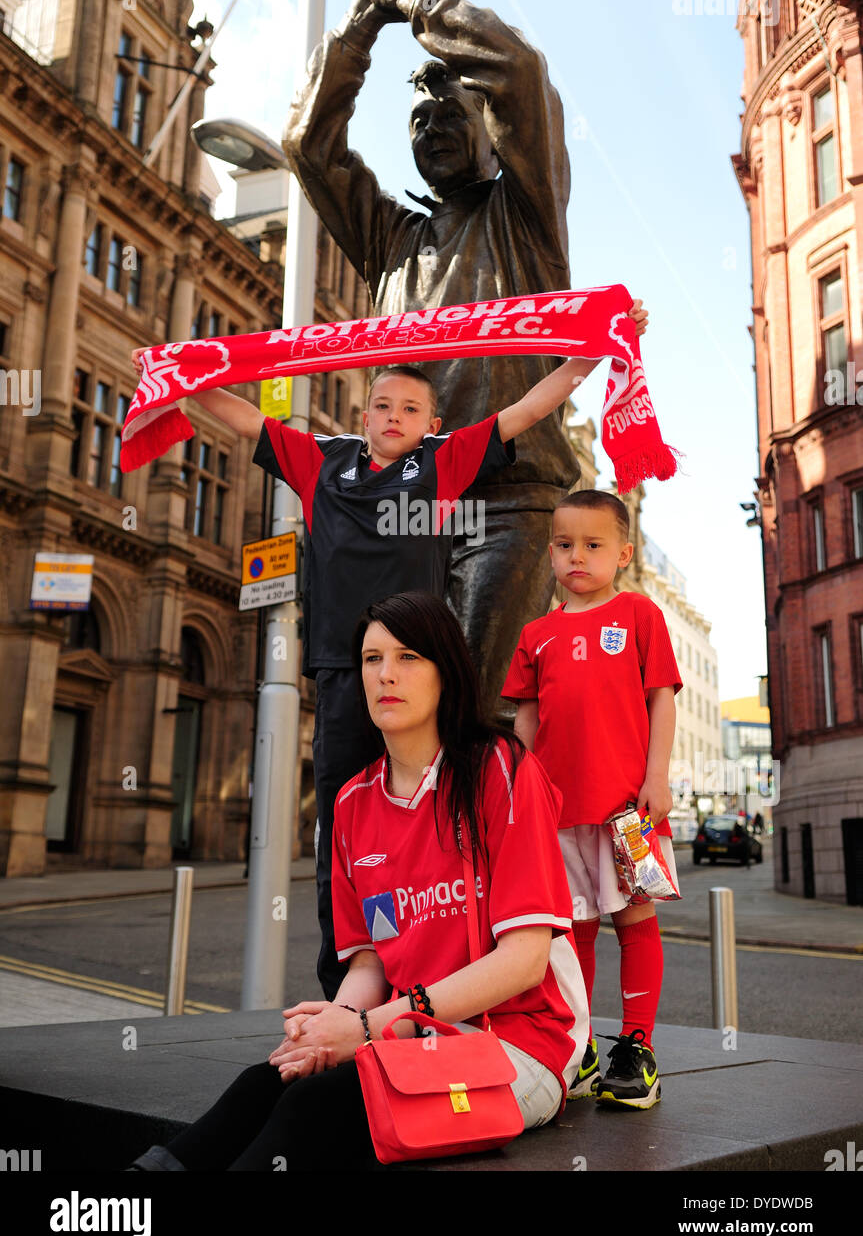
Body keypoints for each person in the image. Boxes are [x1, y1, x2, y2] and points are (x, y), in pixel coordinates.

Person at [130, 344, 618, 1000]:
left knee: (436, 823)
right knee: (347, 829)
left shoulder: (442, 461)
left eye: (410, 408)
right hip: (342, 669)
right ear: (364, 416)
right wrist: (174, 380)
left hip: (422, 673)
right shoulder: (321, 461)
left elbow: (526, 408)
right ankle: (347, 988)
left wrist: (590, 353)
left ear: (429, 421)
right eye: (383, 405)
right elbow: (244, 420)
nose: (395, 416)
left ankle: (446, 979)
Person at [281, 0, 648, 709]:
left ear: (492, 134)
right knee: (388, 706)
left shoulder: (525, 216)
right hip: (403, 501)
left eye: (453, 112)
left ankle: (471, 827)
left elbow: (519, 72)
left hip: (505, 502)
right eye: (418, 117)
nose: (432, 125)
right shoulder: (390, 241)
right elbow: (306, 145)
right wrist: (359, 23)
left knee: (468, 707)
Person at [127, 591, 588, 1172]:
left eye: (408, 657)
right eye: (372, 659)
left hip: (519, 1047)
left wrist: (368, 1029)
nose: (386, 675)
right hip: (410, 1036)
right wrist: (330, 1029)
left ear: (447, 670)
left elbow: (524, 961)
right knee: (263, 1082)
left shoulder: (501, 767)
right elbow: (370, 964)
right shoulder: (351, 803)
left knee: (319, 1107)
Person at [502, 490, 682, 1109]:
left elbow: (662, 697)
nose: (577, 556)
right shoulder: (536, 634)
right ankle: (576, 1047)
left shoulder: (638, 615)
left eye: (593, 544)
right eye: (564, 544)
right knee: (571, 935)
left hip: (626, 809)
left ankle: (637, 1049)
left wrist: (657, 777)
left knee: (634, 921)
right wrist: (516, 798)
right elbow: (525, 724)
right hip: (556, 813)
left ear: (624, 553)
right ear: (551, 551)